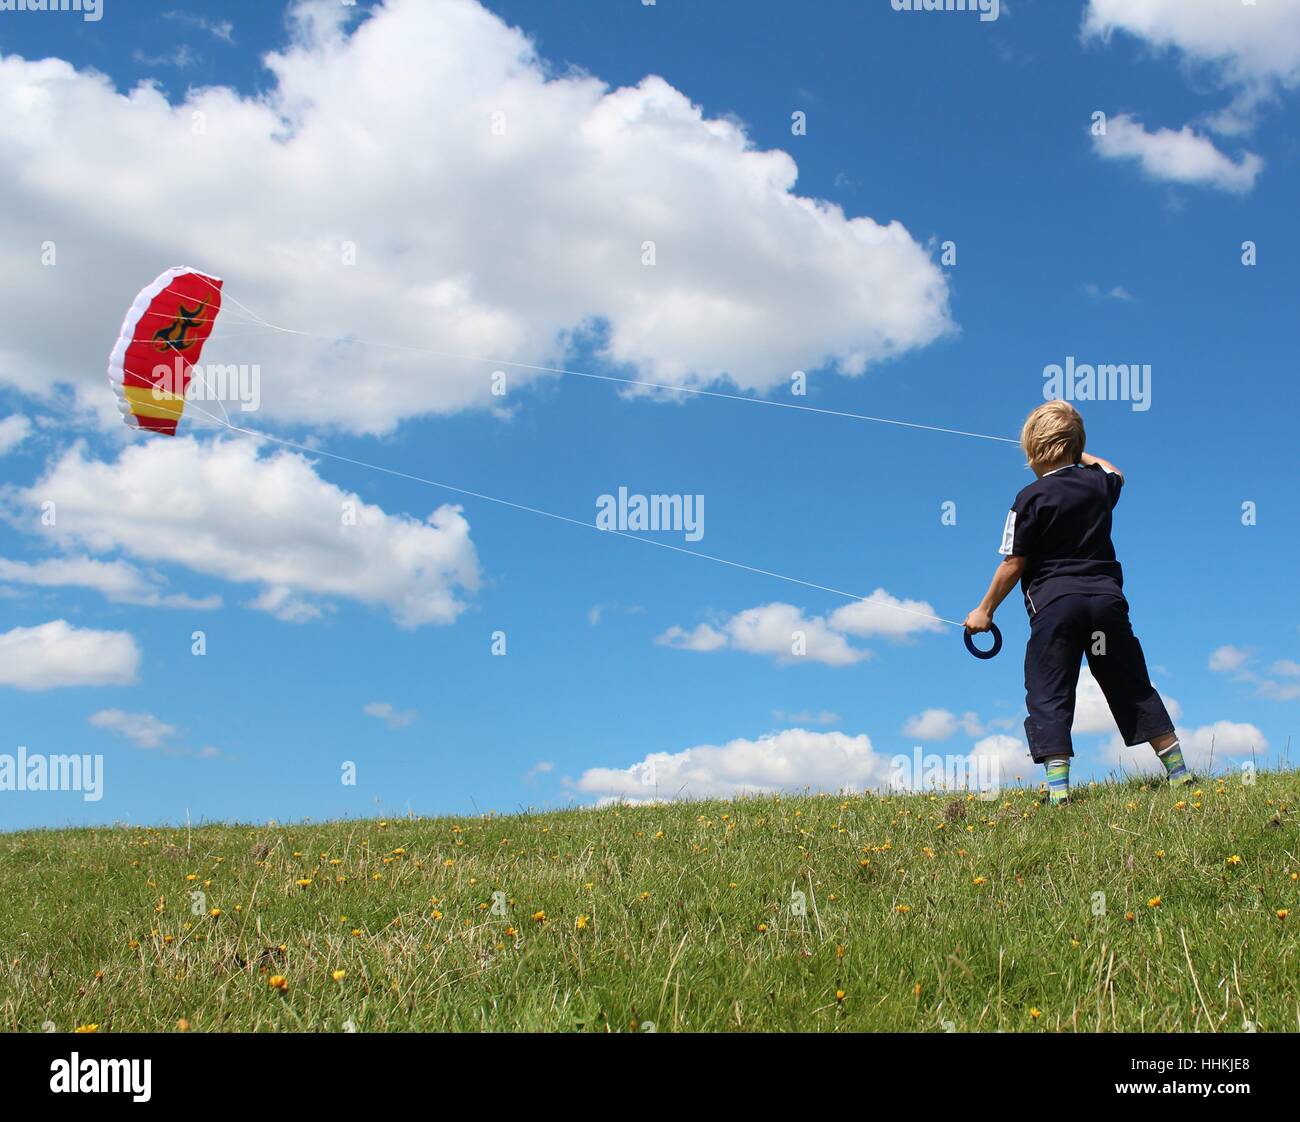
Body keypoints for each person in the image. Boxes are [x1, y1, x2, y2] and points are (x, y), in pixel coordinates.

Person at [963, 400, 1187, 805]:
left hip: (1056, 608)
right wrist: (1077, 449)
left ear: (1033, 449)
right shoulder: (1097, 486)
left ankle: (1059, 793)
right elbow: (1114, 470)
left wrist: (985, 610)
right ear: (1073, 446)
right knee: (1128, 681)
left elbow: (1014, 563)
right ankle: (1179, 773)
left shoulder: (1028, 498)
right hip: (1105, 604)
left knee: (1049, 689)